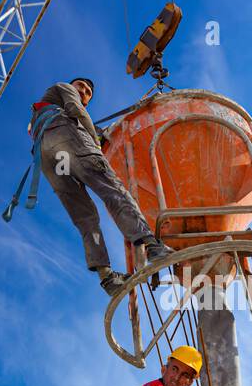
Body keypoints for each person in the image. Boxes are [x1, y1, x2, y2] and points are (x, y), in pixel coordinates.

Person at [31, 78, 172, 294]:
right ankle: (151, 245)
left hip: (46, 156)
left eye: (87, 91)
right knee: (112, 190)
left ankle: (107, 278)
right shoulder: (64, 88)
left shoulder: (44, 109)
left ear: (88, 100)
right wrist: (95, 141)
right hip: (66, 137)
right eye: (81, 86)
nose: (83, 90)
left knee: (85, 217)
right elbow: (75, 109)